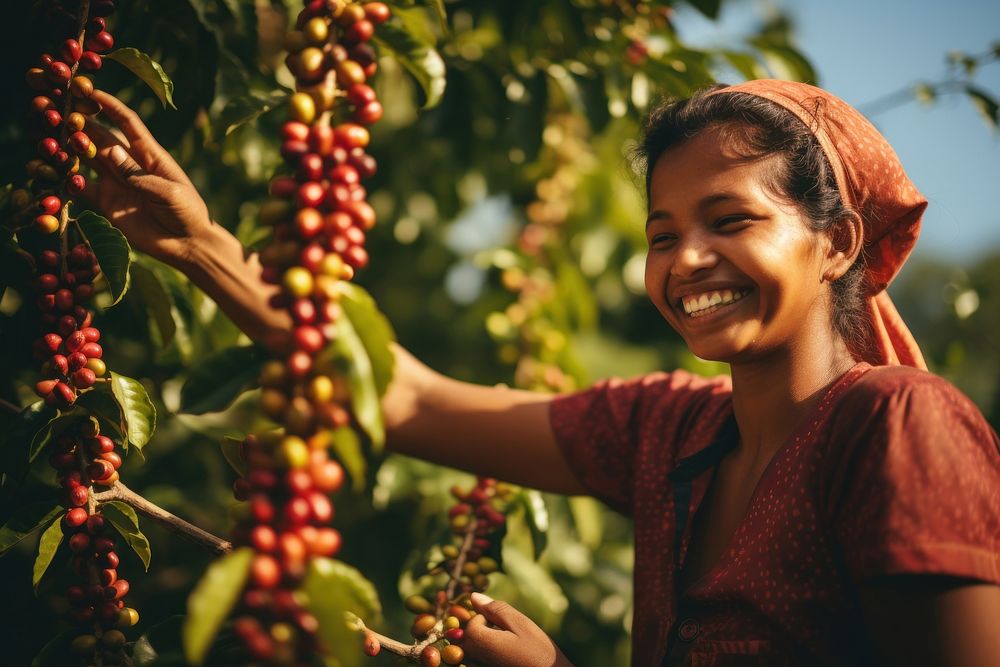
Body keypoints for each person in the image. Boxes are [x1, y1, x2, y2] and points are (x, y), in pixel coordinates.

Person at [81, 79, 1000, 667]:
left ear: (836, 242)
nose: (686, 261)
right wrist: (199, 248)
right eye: (663, 235)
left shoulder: (895, 426)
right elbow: (403, 394)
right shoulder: (668, 433)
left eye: (731, 220)